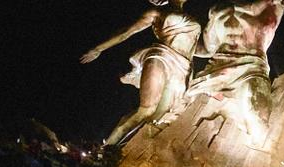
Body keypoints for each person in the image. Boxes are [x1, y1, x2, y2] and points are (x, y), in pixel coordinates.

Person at [80, 0, 202, 146]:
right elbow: (126, 32)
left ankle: (124, 150)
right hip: (162, 58)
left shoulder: (193, 21)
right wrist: (98, 49)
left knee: (161, 116)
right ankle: (108, 147)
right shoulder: (157, 12)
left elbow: (201, 49)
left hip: (183, 69)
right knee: (147, 110)